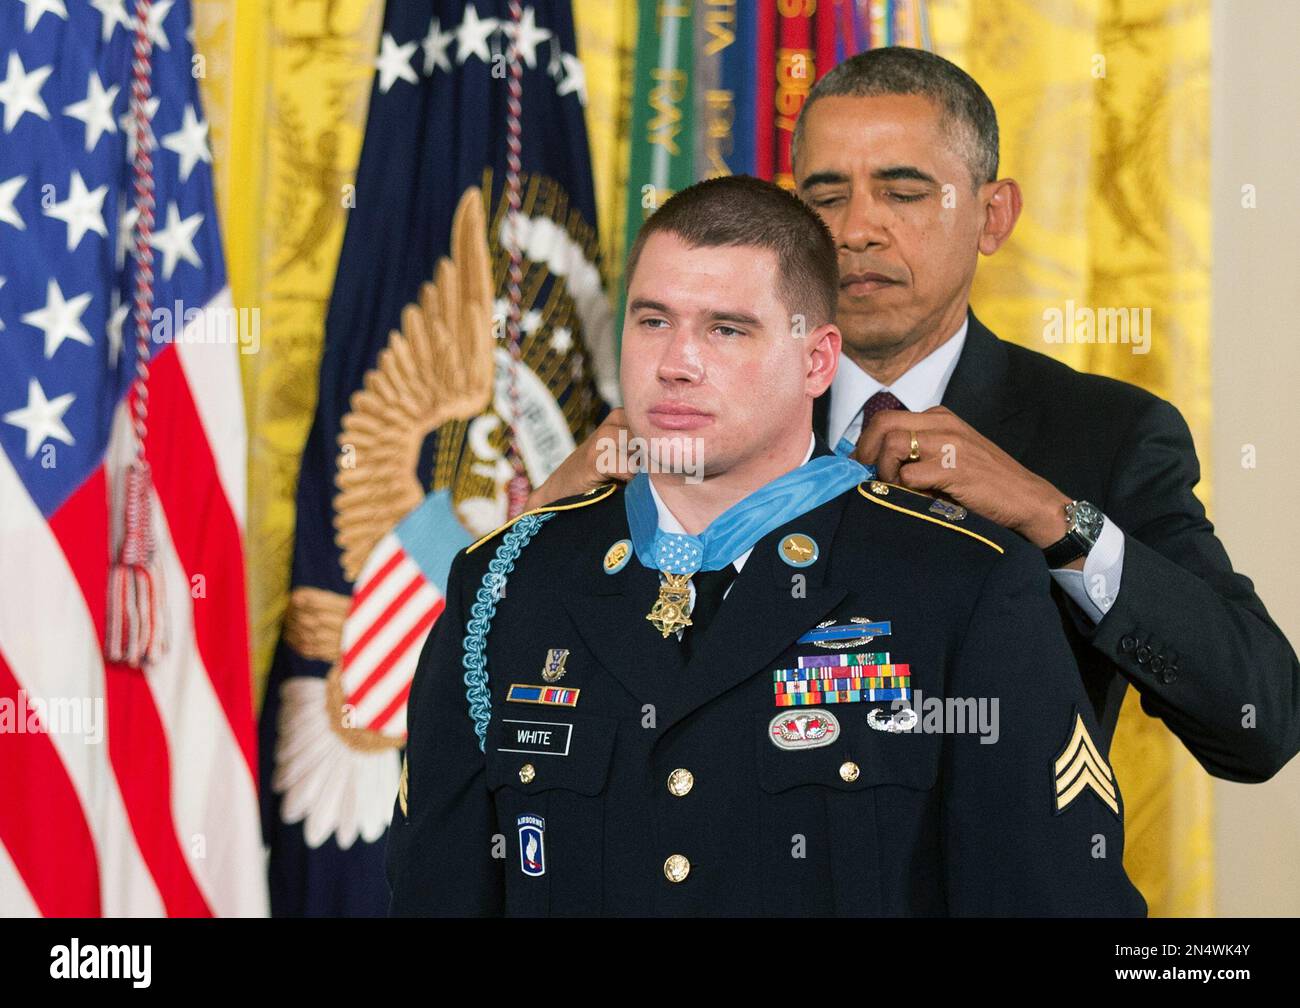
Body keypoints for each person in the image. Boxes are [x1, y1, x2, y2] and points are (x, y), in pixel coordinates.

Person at [529, 47, 1300, 784]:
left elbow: (1261, 718)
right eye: (825, 197)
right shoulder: (692, 419)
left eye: (902, 193)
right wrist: (544, 531)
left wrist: (1052, 515)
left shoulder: (1103, 434)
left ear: (993, 215)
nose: (855, 230)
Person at [387, 175, 1145, 916]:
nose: (677, 362)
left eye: (725, 328)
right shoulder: (504, 582)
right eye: (653, 321)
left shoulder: (960, 585)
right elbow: (435, 894)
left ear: (817, 360)